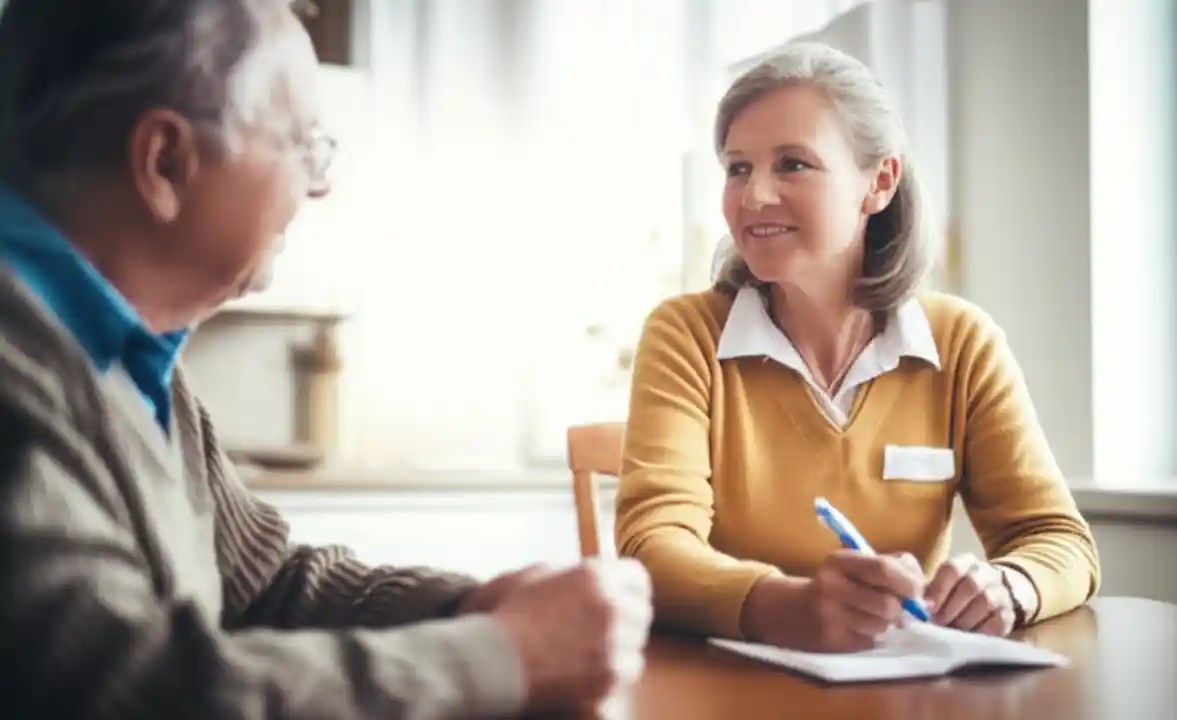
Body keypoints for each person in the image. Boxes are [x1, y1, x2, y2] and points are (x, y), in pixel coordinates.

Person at [0, 1, 651, 717]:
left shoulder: (131, 356)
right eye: (305, 143)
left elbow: (266, 586)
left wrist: (472, 606)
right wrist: (508, 655)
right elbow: (128, 689)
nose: (320, 184)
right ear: (166, 160)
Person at [615, 42, 1099, 653]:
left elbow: (1057, 538)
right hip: (724, 687)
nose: (754, 196)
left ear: (879, 182)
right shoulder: (684, 335)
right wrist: (784, 606)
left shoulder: (963, 342)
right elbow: (652, 545)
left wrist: (1011, 585)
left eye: (792, 164)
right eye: (738, 167)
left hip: (903, 686)